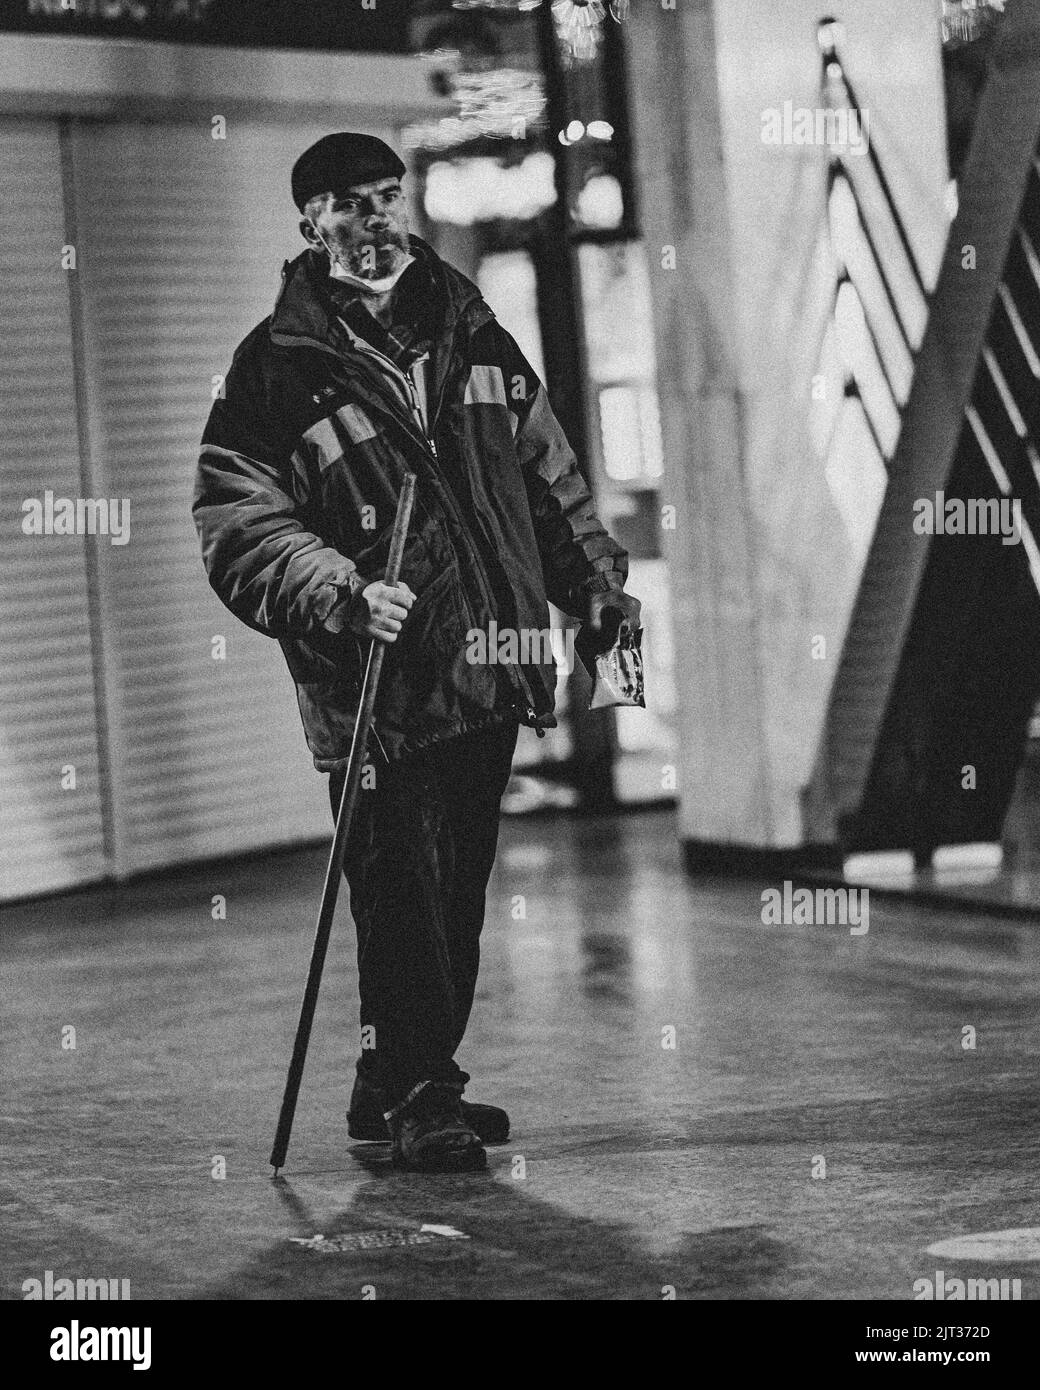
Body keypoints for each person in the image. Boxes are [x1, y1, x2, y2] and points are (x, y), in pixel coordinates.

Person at [193, 133, 640, 1171]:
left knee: (456, 888)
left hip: (486, 664)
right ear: (311, 223)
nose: (376, 220)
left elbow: (547, 483)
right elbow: (235, 521)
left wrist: (598, 593)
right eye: (350, 205)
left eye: (389, 198)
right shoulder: (278, 367)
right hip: (375, 683)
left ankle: (388, 1080)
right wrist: (341, 593)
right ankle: (425, 1092)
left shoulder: (476, 335)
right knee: (400, 894)